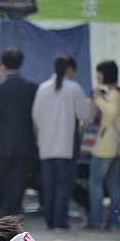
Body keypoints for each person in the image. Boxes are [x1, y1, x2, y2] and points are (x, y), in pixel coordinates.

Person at [31, 54, 92, 231]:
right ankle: (60, 221)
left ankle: (50, 221)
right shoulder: (73, 88)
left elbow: (35, 116)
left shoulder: (43, 88)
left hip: (46, 145)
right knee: (64, 184)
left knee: (49, 184)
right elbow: (85, 115)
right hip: (66, 144)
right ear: (69, 69)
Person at [0, 48, 38, 221]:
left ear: (4, 64)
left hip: (2, 142)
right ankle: (12, 218)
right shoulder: (31, 88)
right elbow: (34, 116)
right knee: (18, 182)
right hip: (25, 142)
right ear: (21, 63)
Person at [87, 59, 120, 229]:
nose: (97, 76)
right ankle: (113, 222)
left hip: (105, 147)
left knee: (96, 184)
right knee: (113, 185)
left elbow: (111, 114)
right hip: (116, 148)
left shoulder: (114, 95)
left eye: (99, 73)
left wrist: (98, 99)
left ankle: (95, 220)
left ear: (104, 74)